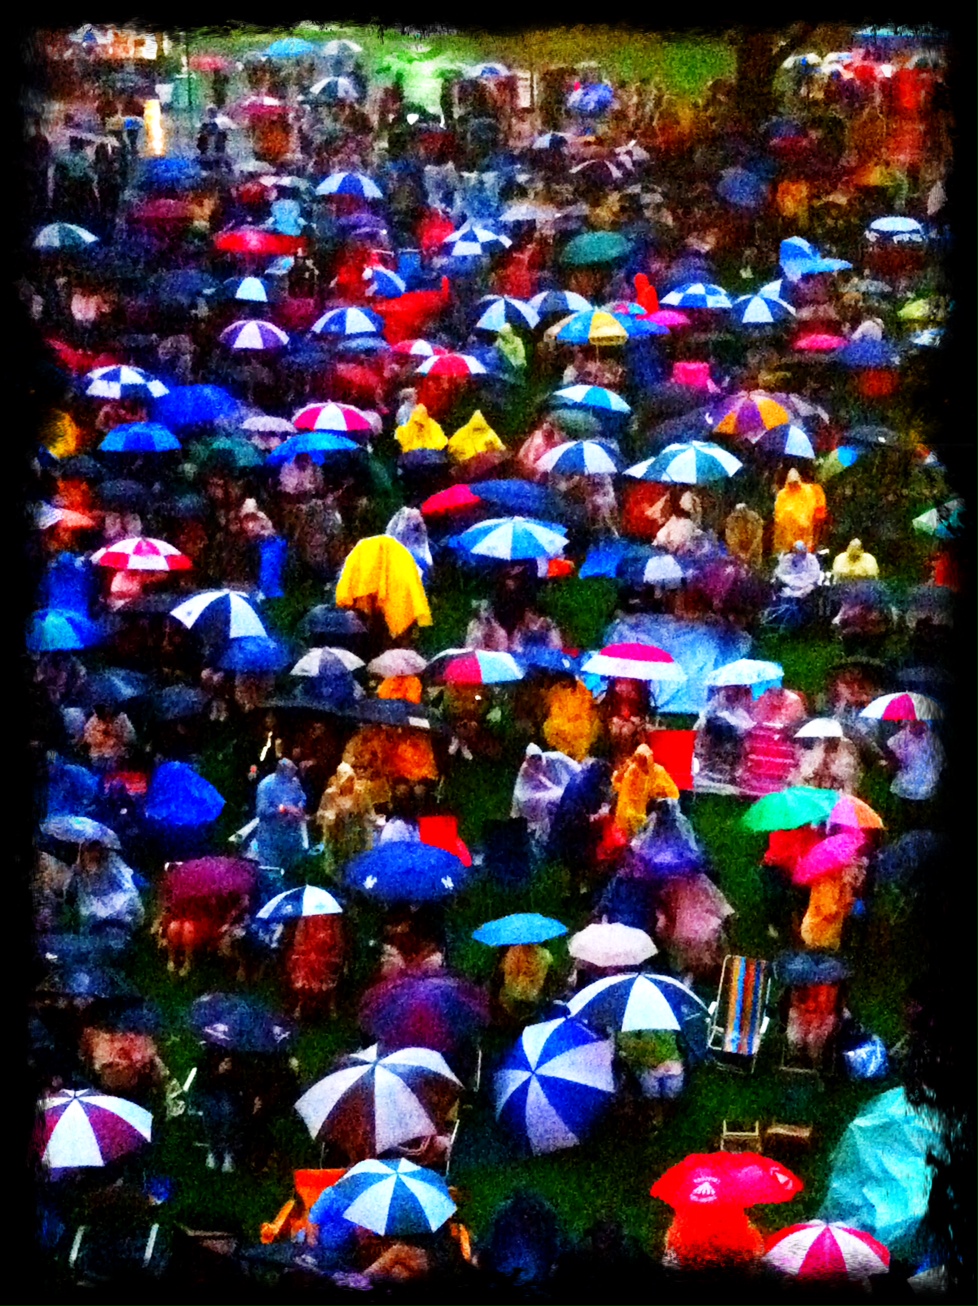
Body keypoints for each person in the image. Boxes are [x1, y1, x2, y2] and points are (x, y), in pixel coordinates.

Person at [612, 743, 679, 838]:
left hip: (646, 818)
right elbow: (617, 782)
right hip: (626, 818)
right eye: (639, 759)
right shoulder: (631, 770)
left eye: (644, 759)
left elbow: (673, 794)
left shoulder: (658, 772)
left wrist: (657, 796)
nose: (642, 763)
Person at [254, 757, 308, 870]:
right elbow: (262, 811)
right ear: (282, 772)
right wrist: (284, 809)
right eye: (291, 772)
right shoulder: (266, 786)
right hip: (272, 838)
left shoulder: (294, 782)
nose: (294, 775)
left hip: (292, 836)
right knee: (273, 871)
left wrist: (300, 807)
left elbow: (302, 797)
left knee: (293, 871)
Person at [542, 676, 600, 763]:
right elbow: (553, 720)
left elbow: (589, 715)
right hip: (562, 743)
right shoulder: (555, 694)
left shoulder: (583, 692)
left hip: (581, 740)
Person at [886, 721, 945, 802]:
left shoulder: (932, 740)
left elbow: (939, 761)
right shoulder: (904, 736)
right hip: (911, 780)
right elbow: (892, 748)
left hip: (923, 784)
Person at [773, 468, 826, 554]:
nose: (793, 485)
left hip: (805, 534)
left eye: (795, 482)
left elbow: (811, 511)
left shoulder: (808, 491)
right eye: (791, 483)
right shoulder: (782, 495)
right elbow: (778, 516)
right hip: (788, 536)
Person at [82, 702, 137, 772]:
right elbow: (88, 738)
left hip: (118, 756)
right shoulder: (93, 721)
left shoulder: (121, 719)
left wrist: (116, 736)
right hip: (99, 757)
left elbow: (130, 738)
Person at [724, 502, 764, 568]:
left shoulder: (755, 518)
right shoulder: (731, 520)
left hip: (754, 552)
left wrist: (750, 551)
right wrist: (740, 553)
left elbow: (758, 535)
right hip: (737, 554)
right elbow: (731, 539)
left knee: (755, 569)